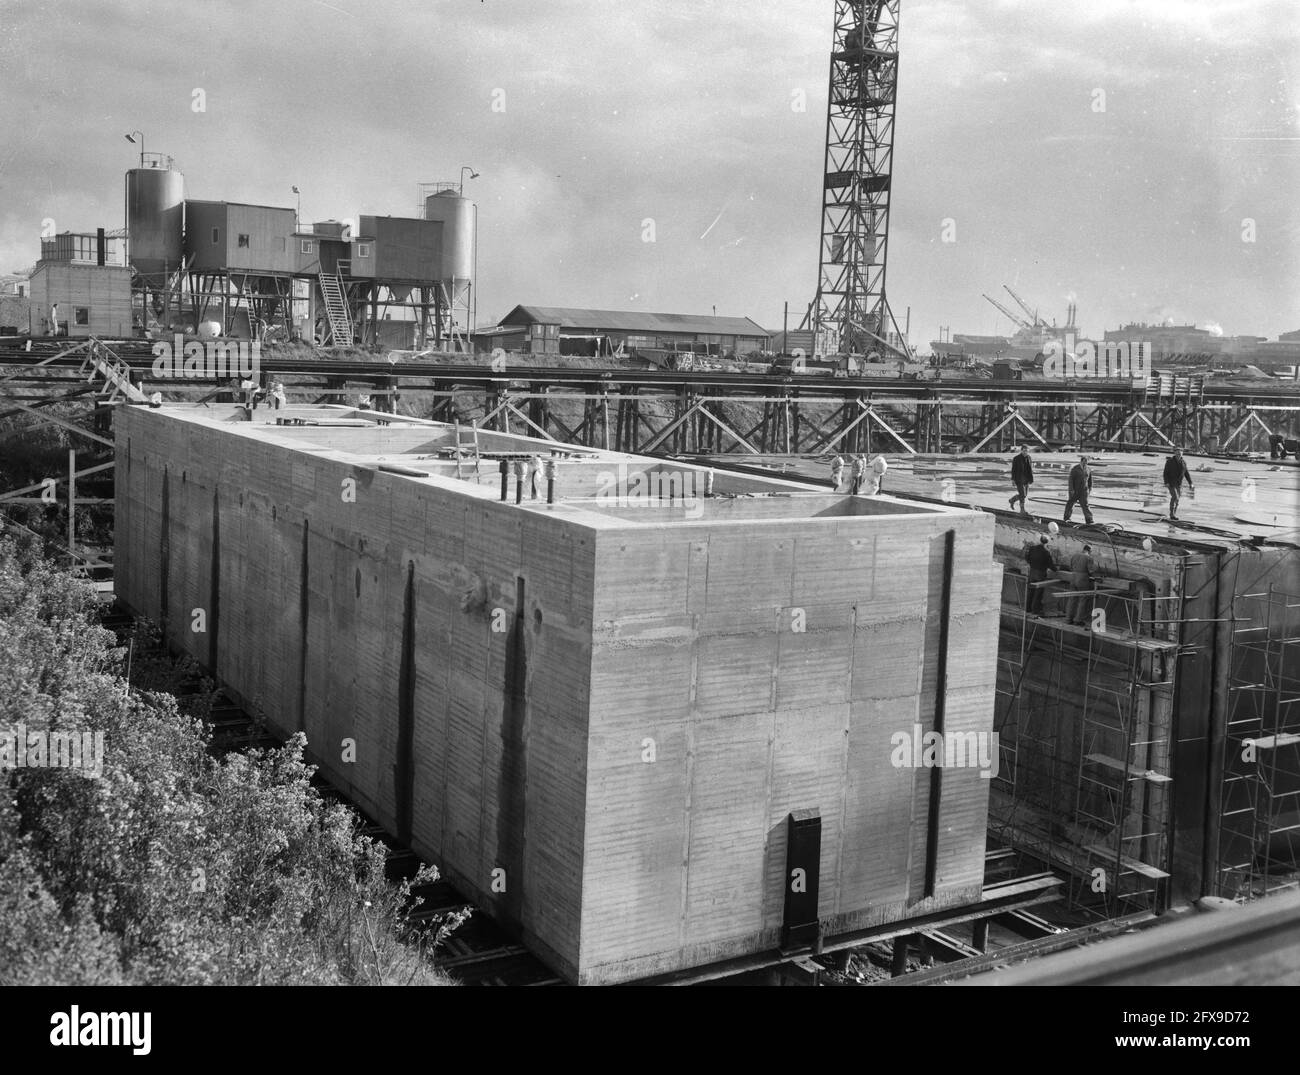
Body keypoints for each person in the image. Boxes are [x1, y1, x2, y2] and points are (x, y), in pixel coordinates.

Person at [1067, 544, 1099, 626]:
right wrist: (1097, 576)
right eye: (1091, 552)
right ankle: (1078, 620)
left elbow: (1070, 567)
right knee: (1083, 599)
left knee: (1072, 599)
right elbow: (1091, 571)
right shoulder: (1089, 558)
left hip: (1073, 578)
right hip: (1082, 580)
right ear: (1088, 551)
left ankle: (1068, 618)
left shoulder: (1074, 555)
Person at [1024, 535, 1054, 615]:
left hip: (1032, 571)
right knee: (1038, 593)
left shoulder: (1032, 548)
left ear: (1040, 540)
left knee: (1030, 591)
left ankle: (1027, 609)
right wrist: (1057, 569)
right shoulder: (1046, 552)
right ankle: (1035, 610)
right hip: (1040, 573)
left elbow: (1027, 557)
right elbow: (1050, 565)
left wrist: (1031, 564)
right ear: (1047, 542)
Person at [1162, 447, 1194, 519]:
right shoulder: (1169, 462)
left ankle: (1174, 514)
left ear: (1182, 454)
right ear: (1175, 453)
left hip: (1179, 484)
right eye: (1177, 453)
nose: (1179, 454)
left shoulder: (1183, 462)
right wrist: (1166, 482)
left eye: (1180, 453)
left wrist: (1190, 483)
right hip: (1171, 483)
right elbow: (1165, 473)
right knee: (1175, 497)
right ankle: (1172, 514)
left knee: (1177, 499)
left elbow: (1186, 474)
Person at [1063, 455, 1094, 524]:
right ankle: (1067, 518)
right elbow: (1071, 480)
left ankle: (1089, 519)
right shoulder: (1075, 469)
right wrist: (1071, 490)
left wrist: (1090, 488)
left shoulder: (1088, 469)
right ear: (1081, 461)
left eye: (1087, 462)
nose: (1086, 463)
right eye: (1085, 461)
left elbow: (1090, 480)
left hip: (1084, 491)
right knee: (1070, 504)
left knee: (1085, 505)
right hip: (1075, 490)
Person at [1009, 445, 1034, 514]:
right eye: (1024, 450)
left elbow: (1030, 469)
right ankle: (1022, 510)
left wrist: (1031, 479)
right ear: (1021, 450)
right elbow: (1013, 470)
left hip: (1026, 479)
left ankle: (1012, 500)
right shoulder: (1016, 458)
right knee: (1022, 495)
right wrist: (1013, 480)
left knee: (1024, 495)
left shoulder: (1029, 458)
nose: (1025, 452)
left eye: (1027, 451)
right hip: (1019, 479)